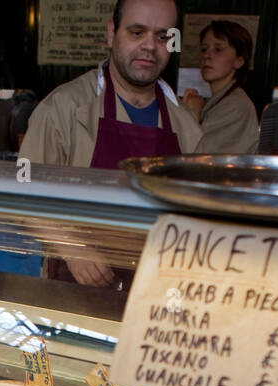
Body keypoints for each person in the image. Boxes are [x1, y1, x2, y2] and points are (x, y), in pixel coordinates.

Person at [20, 0, 202, 284]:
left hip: (155, 291)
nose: (150, 46)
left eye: (162, 36)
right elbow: (22, 187)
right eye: (136, 32)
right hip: (76, 288)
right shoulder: (63, 109)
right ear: (111, 33)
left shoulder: (187, 126)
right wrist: (73, 249)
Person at [181, 20, 259, 154]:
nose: (207, 56)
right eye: (204, 49)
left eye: (218, 50)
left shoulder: (235, 106)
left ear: (239, 61)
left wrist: (191, 116)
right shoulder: (220, 100)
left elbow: (196, 157)